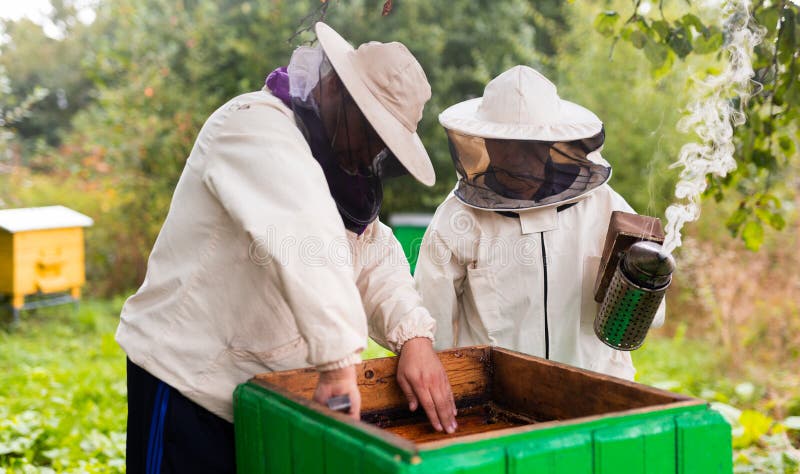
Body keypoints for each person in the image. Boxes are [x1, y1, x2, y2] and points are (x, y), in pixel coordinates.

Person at [116, 22, 456, 474]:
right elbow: (304, 231)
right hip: (191, 387)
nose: (370, 153)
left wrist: (414, 337)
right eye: (370, 132)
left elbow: (373, 257)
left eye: (383, 145)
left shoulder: (341, 168)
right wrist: (338, 367)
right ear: (334, 88)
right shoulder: (254, 126)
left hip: (271, 400)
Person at [414, 65, 664, 381]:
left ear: (550, 144)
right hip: (498, 405)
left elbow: (650, 314)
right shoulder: (457, 219)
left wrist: (645, 279)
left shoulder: (607, 207)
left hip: (594, 395)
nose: (518, 161)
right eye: (506, 146)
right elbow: (431, 328)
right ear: (487, 143)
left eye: (529, 147)